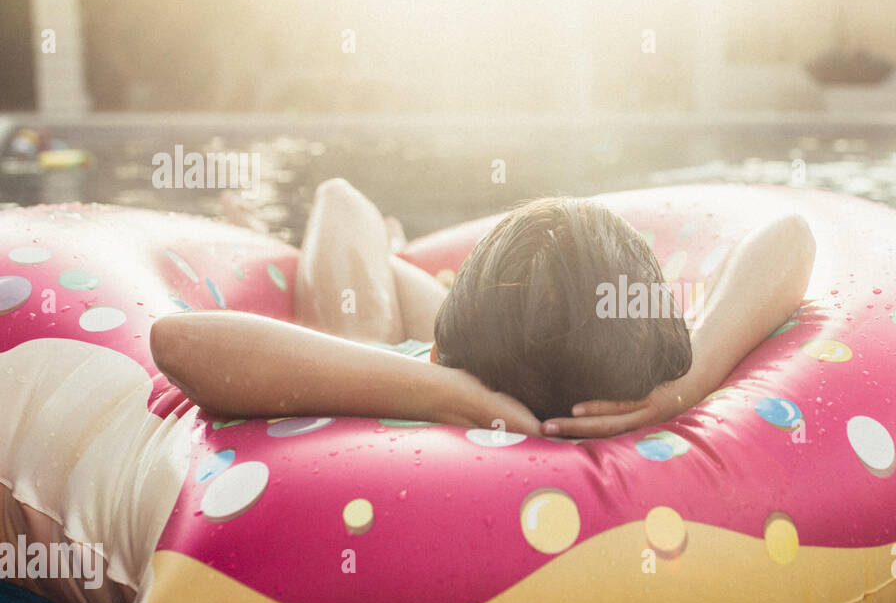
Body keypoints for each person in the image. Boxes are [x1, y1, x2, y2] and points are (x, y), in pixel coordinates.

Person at [151, 178, 815, 438]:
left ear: (442, 350)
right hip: (520, 363)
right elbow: (793, 235)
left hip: (381, 353)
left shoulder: (423, 380)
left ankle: (379, 249)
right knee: (378, 258)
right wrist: (691, 379)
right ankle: (389, 253)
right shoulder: (643, 374)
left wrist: (438, 390)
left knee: (342, 202)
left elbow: (179, 342)